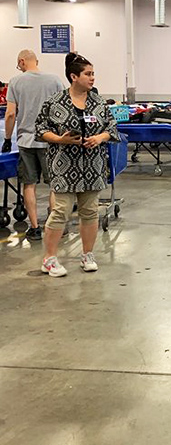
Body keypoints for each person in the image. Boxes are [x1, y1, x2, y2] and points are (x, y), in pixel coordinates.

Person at [35, 52, 120, 277]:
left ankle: (87, 254)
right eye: (88, 74)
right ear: (74, 76)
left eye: (93, 74)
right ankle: (49, 259)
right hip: (64, 167)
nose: (92, 78)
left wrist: (99, 138)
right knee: (61, 211)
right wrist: (60, 139)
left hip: (93, 166)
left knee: (90, 211)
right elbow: (41, 130)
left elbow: (112, 129)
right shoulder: (54, 103)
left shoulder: (99, 102)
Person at [3, 49, 63, 241]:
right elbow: (62, 110)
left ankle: (35, 228)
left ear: (22, 61)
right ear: (35, 60)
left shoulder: (16, 82)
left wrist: (7, 139)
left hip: (26, 141)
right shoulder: (55, 80)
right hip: (50, 140)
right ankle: (54, 227)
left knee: (29, 185)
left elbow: (11, 114)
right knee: (54, 186)